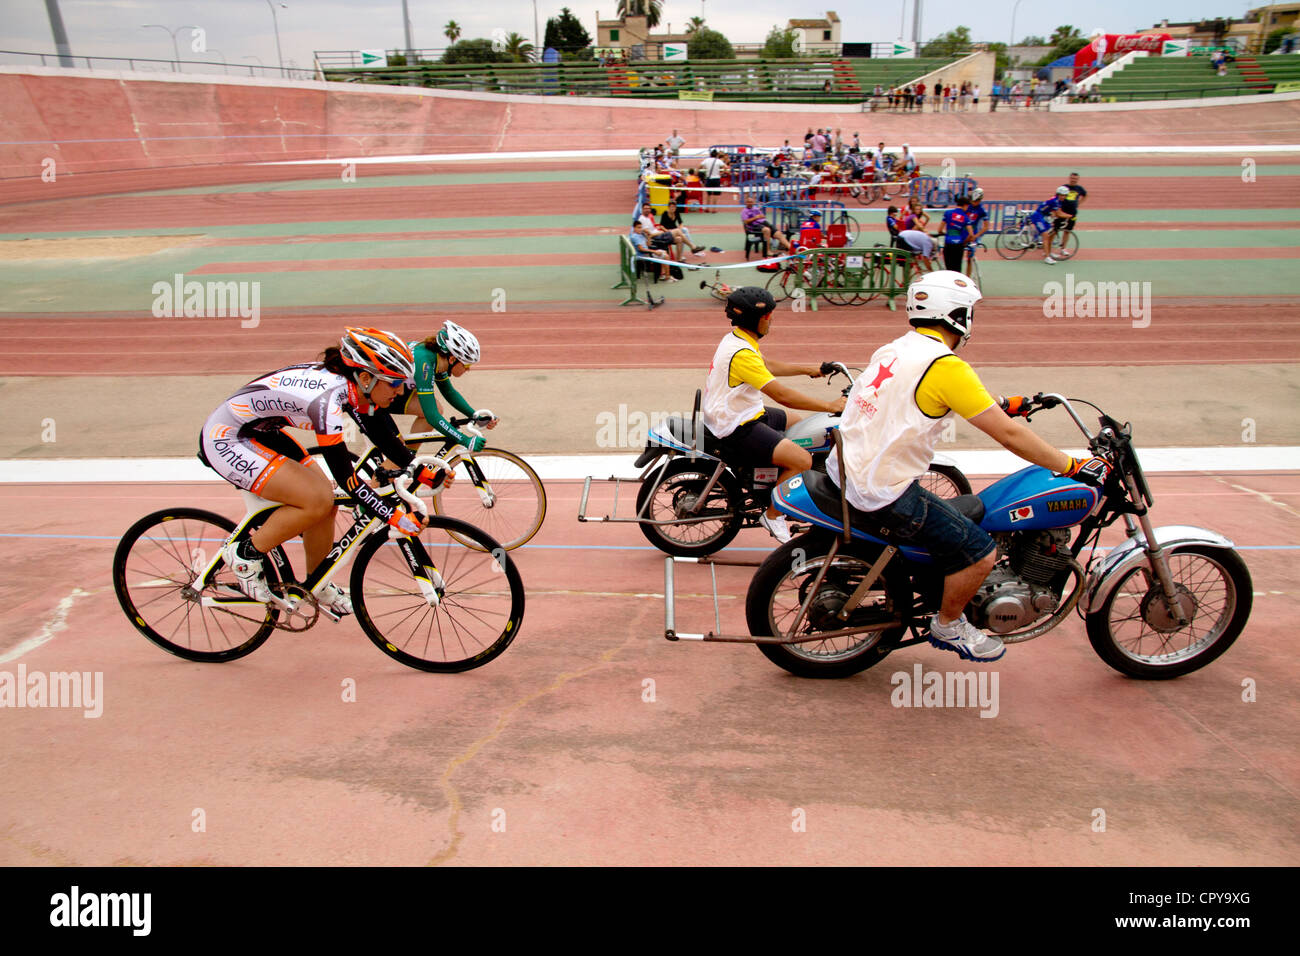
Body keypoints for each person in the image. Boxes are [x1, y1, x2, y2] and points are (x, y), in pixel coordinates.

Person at [826, 271, 1111, 661]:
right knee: (979, 550)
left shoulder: (894, 350)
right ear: (958, 315)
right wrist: (1073, 464)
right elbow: (1010, 437)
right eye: (970, 311)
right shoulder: (946, 366)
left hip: (847, 469)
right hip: (882, 486)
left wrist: (1009, 405)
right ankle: (949, 624)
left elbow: (944, 398)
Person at [202, 328, 450, 611]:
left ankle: (317, 584)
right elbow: (347, 479)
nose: (401, 390)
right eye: (394, 382)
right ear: (366, 377)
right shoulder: (327, 402)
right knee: (316, 499)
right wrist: (391, 515)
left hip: (263, 432)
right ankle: (245, 554)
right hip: (227, 437)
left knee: (326, 503)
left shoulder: (356, 388)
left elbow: (383, 437)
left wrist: (421, 471)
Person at [702, 287, 845, 543]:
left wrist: (812, 370)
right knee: (802, 460)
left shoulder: (738, 340)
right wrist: (830, 406)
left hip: (741, 410)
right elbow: (782, 396)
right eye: (768, 316)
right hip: (736, 424)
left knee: (801, 425)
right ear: (753, 319)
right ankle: (773, 513)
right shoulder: (742, 353)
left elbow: (767, 365)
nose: (771, 320)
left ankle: (773, 481)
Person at [401, 320, 497, 455]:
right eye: (467, 365)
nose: (468, 370)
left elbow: (449, 392)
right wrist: (464, 440)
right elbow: (432, 416)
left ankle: (408, 455)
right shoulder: (425, 364)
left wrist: (476, 416)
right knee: (435, 410)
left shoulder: (438, 359)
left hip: (394, 392)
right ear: (452, 359)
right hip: (376, 396)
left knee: (435, 409)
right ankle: (404, 458)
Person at [1029, 186, 1073, 263]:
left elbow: (1057, 212)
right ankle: (1047, 257)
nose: (1063, 197)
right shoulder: (1055, 201)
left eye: (1065, 195)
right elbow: (1059, 214)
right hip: (1038, 216)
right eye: (1062, 195)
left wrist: (1064, 215)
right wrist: (1070, 216)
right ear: (1058, 194)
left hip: (1044, 216)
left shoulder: (1058, 201)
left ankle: (1047, 252)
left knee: (1049, 234)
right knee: (1045, 235)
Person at [1056, 171, 1087, 243]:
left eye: (1075, 179)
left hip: (1072, 212)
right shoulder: (1064, 187)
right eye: (1072, 178)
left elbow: (1085, 195)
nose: (1073, 180)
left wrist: (1079, 203)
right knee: (1056, 230)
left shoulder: (1079, 188)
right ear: (1069, 178)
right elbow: (1056, 197)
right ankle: (1050, 248)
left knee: (1068, 231)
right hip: (1062, 211)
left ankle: (1063, 248)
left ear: (1078, 179)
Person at [700, 149, 725, 213]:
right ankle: (714, 209)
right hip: (716, 179)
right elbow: (726, 167)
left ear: (710, 154)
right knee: (716, 195)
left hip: (709, 178)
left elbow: (700, 166)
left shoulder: (706, 160)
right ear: (716, 155)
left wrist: (704, 171)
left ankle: (707, 208)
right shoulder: (718, 161)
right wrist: (722, 173)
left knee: (708, 194)